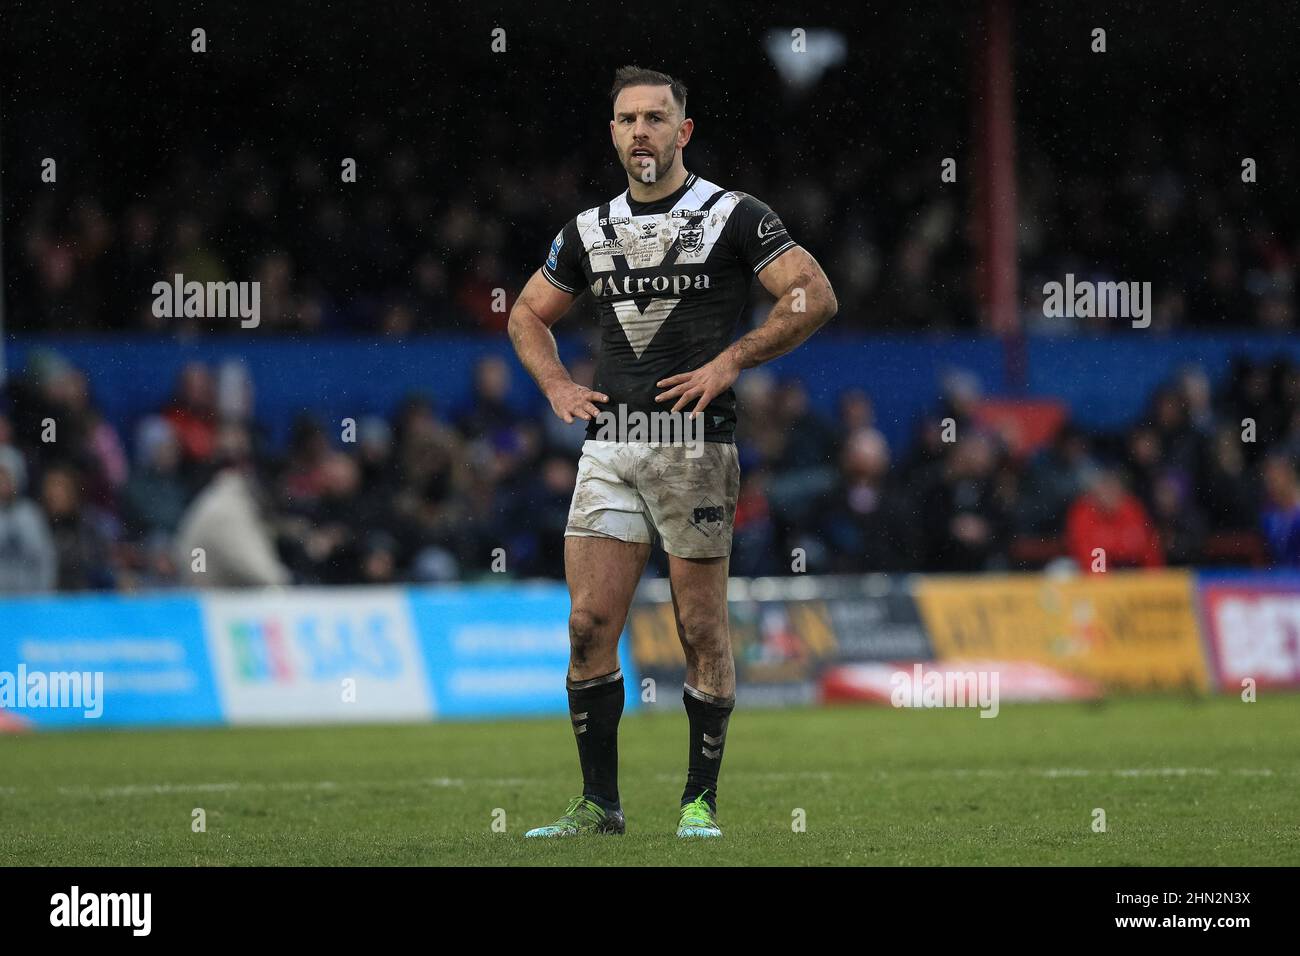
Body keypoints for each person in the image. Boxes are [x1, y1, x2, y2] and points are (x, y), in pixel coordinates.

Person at [508, 66, 837, 839]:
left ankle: (699, 801)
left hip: (695, 446)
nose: (640, 132)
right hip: (610, 446)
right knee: (589, 624)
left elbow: (812, 294)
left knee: (699, 628)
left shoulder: (731, 215)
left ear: (682, 132)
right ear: (613, 133)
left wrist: (732, 362)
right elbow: (527, 313)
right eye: (626, 120)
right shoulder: (586, 230)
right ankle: (599, 805)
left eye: (656, 118)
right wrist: (556, 382)